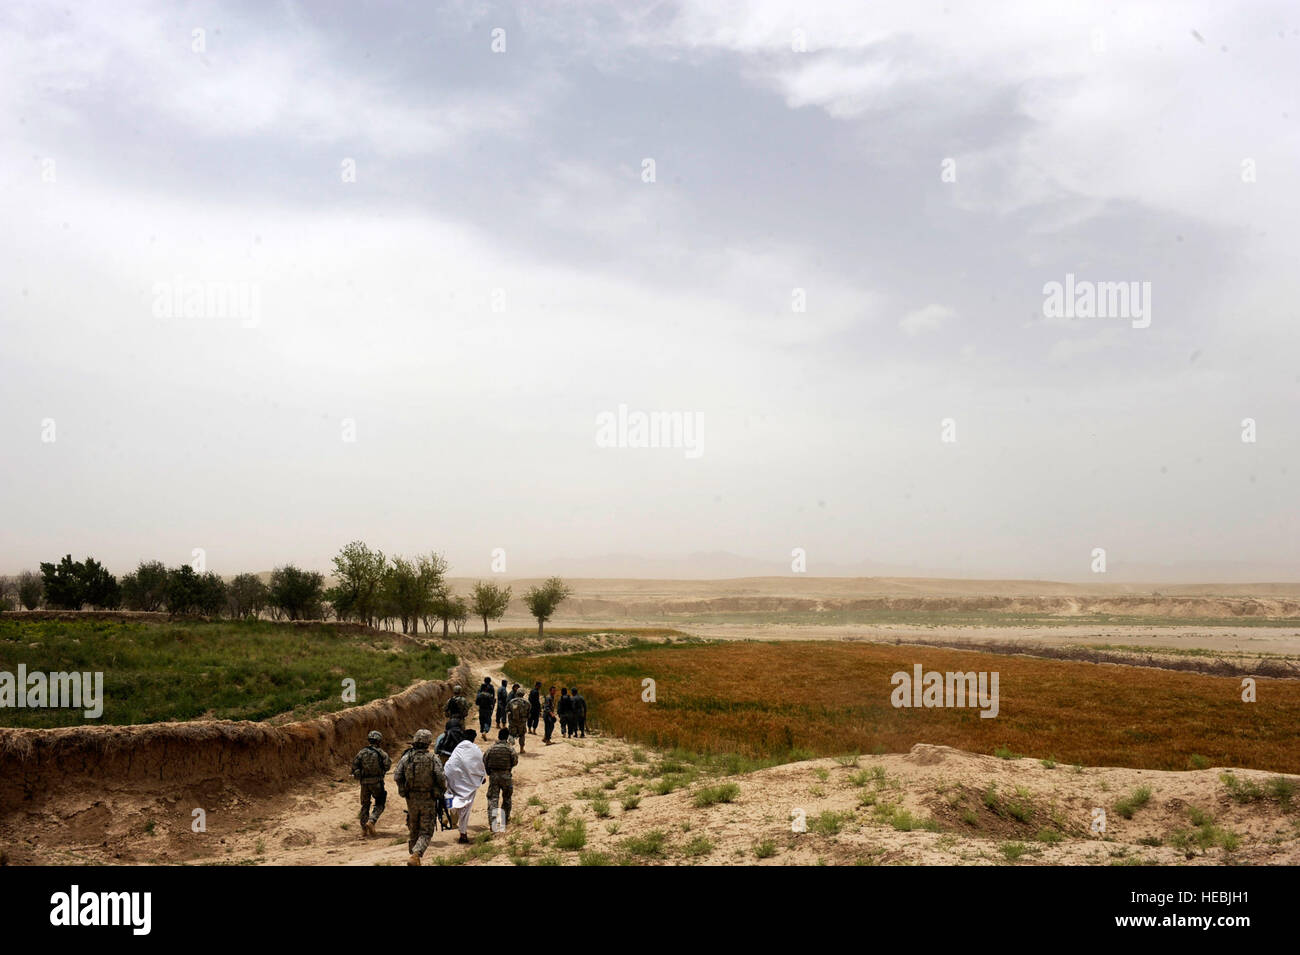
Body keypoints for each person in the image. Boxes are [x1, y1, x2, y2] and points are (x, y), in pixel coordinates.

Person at [396, 728, 446, 866]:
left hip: (411, 799)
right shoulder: (433, 759)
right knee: (426, 830)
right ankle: (416, 854)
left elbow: (397, 775)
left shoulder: (406, 758)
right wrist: (441, 790)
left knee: (414, 828)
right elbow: (441, 777)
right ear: (428, 742)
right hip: (428, 799)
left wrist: (403, 791)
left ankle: (413, 855)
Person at [443, 728, 486, 843]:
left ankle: (450, 810)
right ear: (474, 738)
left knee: (449, 794)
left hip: (453, 777)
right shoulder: (476, 749)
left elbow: (451, 763)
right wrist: (481, 777)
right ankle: (463, 834)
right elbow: (480, 765)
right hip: (468, 782)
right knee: (466, 808)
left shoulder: (458, 747)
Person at [351, 729, 391, 837]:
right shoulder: (382, 753)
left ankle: (364, 829)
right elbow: (387, 766)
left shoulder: (362, 752)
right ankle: (372, 821)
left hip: (364, 783)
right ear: (379, 741)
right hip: (377, 782)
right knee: (380, 803)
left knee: (365, 805)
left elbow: (354, 765)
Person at [482, 727, 518, 834]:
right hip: (506, 776)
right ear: (507, 737)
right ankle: (504, 820)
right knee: (506, 798)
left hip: (494, 776)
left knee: (493, 799)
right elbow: (515, 761)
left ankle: (493, 825)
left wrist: (489, 772)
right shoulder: (510, 748)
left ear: (498, 736)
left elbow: (485, 760)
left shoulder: (491, 748)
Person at [506, 684, 530, 752]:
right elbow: (529, 713)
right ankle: (521, 749)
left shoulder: (512, 701)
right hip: (522, 722)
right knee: (522, 735)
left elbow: (507, 710)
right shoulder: (527, 703)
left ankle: (510, 748)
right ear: (523, 694)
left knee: (511, 734)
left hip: (512, 721)